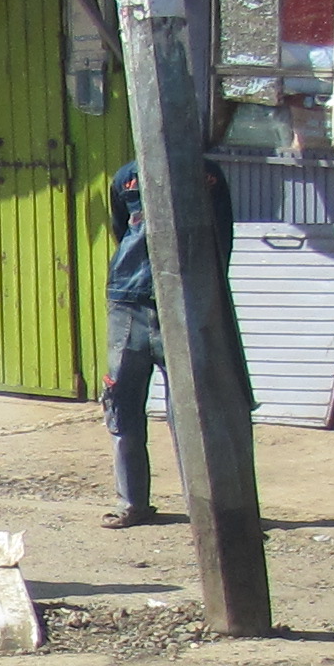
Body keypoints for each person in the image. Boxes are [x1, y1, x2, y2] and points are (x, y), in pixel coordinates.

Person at [98, 152, 246, 530]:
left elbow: (221, 235)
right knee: (121, 401)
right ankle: (132, 504)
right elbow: (121, 229)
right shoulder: (126, 176)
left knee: (192, 408)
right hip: (128, 299)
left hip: (186, 304)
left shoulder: (205, 173)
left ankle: (205, 506)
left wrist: (203, 291)